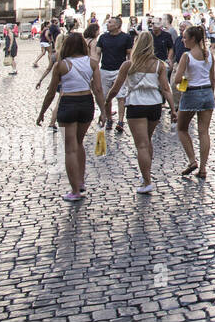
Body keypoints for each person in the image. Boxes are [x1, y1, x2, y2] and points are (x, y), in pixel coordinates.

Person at [36, 31, 106, 201]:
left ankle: (74, 190)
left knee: (70, 148)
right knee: (79, 143)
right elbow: (97, 89)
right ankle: (80, 182)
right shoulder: (92, 63)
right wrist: (103, 111)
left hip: (68, 103)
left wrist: (42, 113)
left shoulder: (61, 65)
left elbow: (51, 92)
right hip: (86, 103)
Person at [104, 30, 175, 194]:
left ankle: (147, 181)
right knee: (147, 141)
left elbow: (116, 87)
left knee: (141, 145)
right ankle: (146, 175)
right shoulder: (158, 64)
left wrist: (107, 101)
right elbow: (166, 88)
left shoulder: (129, 64)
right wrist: (172, 108)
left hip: (136, 104)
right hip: (154, 104)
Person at [171, 25, 215, 180]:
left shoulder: (186, 56)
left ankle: (192, 161)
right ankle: (203, 168)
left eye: (184, 37)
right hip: (207, 92)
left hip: (192, 93)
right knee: (204, 132)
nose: (183, 40)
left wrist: (183, 82)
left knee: (182, 128)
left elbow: (177, 79)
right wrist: (212, 95)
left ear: (192, 39)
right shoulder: (209, 54)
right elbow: (213, 79)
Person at [96, 17, 135, 133]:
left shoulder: (126, 37)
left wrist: (130, 68)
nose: (107, 24)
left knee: (121, 96)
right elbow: (98, 53)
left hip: (120, 70)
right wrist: (95, 68)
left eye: (110, 23)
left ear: (117, 25)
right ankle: (109, 118)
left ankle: (121, 121)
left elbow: (129, 54)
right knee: (106, 97)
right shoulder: (103, 37)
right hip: (105, 69)